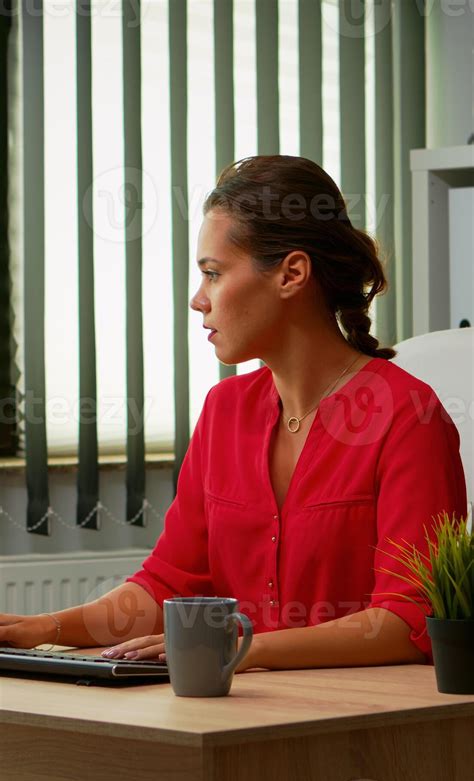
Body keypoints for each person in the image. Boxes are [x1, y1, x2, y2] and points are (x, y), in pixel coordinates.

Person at [0, 156, 467, 671]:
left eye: (213, 274)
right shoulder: (225, 411)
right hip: (231, 708)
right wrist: (45, 629)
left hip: (360, 725)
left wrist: (245, 648)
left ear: (291, 273)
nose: (198, 300)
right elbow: (169, 585)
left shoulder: (409, 415)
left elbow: (409, 620)